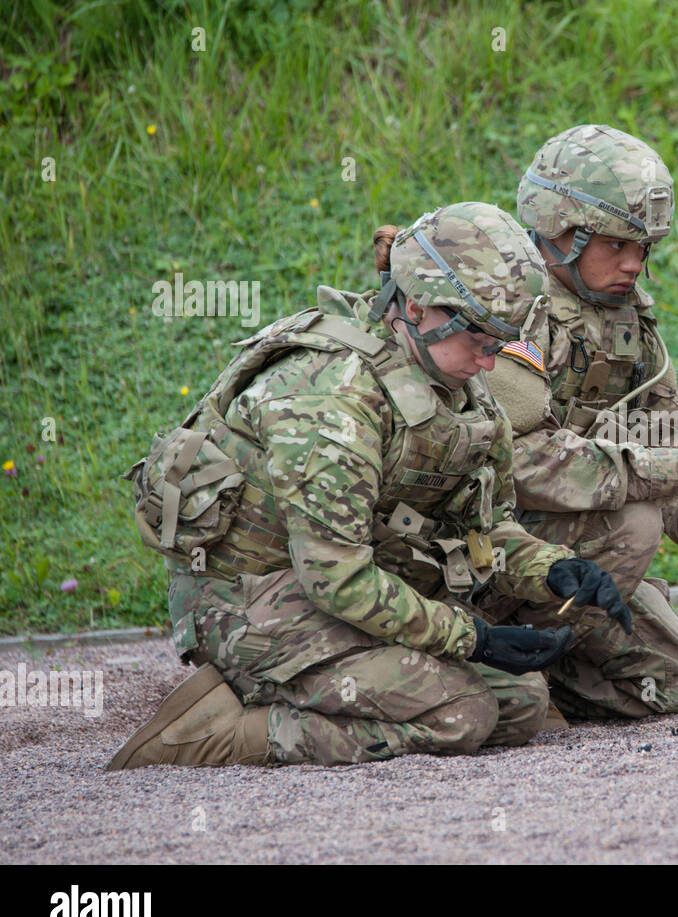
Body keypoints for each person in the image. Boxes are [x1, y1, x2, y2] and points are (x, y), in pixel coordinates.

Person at [109, 202, 634, 770]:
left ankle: (327, 690)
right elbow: (336, 577)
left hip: (333, 584)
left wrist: (554, 569)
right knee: (462, 714)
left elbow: (480, 531)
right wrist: (473, 639)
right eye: (482, 341)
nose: (490, 363)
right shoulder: (331, 400)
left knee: (520, 704)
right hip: (249, 603)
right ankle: (217, 732)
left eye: (503, 345)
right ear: (416, 307)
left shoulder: (449, 378)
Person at [484, 124, 678, 723]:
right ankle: (494, 659)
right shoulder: (507, 308)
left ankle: (549, 665)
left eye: (643, 247)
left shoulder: (628, 326)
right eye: (616, 245)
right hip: (486, 548)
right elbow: (519, 461)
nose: (633, 264)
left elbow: (663, 452)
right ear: (563, 231)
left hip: (574, 558)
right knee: (635, 525)